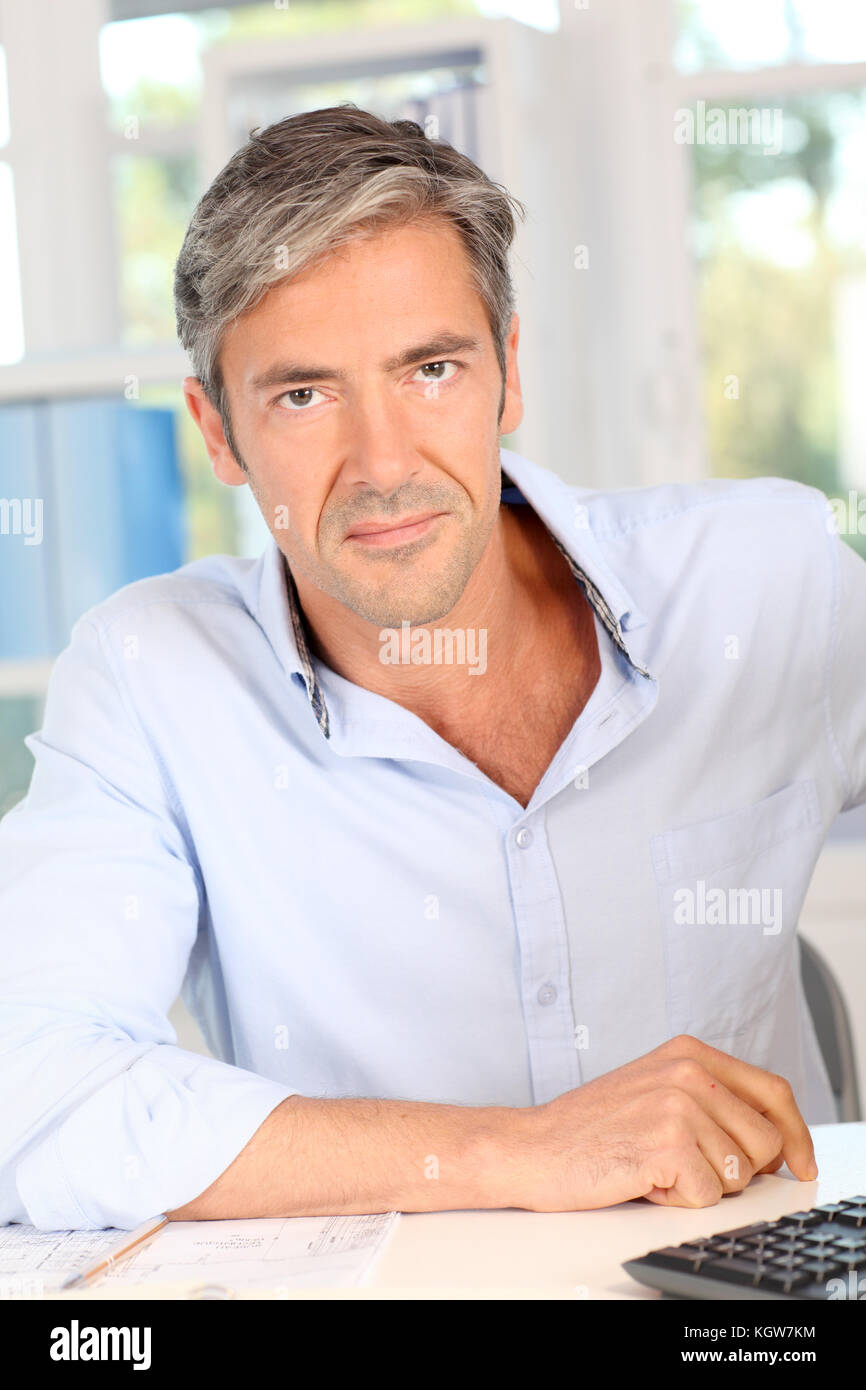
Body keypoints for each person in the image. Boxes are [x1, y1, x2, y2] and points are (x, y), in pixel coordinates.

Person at [2, 106, 863, 1233]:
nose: (383, 464)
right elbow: (32, 1096)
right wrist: (522, 1151)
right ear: (217, 431)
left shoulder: (762, 577)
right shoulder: (149, 679)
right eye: (303, 394)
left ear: (506, 374)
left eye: (430, 368)